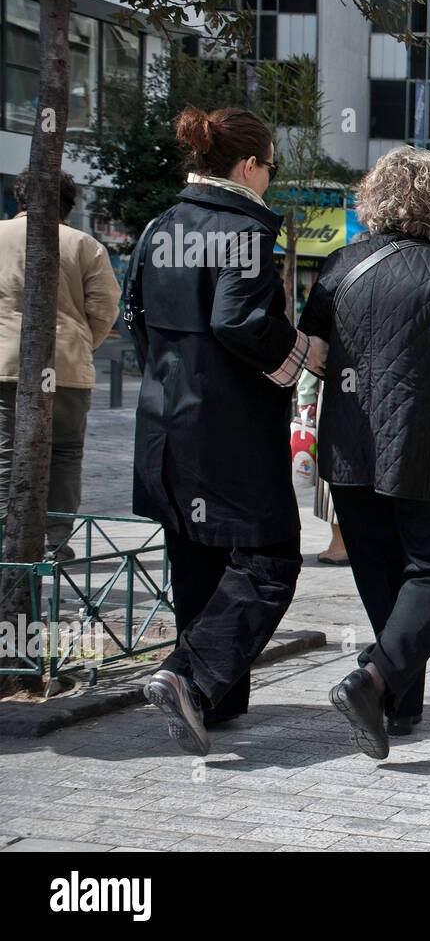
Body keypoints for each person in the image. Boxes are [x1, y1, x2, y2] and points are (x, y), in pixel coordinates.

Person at [125, 105, 327, 755]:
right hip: (228, 433)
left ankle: (212, 700)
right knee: (271, 562)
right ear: (247, 165)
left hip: (166, 424)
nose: (270, 177)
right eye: (270, 166)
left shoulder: (160, 226)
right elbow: (237, 320)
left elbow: (135, 316)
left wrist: (172, 376)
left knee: (199, 555)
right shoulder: (240, 229)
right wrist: (301, 352)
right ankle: (186, 677)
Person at [298, 146, 430, 757]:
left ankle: (395, 702)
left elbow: (315, 352)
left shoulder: (337, 268)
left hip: (351, 451)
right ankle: (373, 679)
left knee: (384, 576)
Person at [0, 169, 121, 558]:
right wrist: (81, 343)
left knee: (5, 452)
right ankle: (55, 540)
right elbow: (104, 309)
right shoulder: (85, 245)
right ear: (70, 204)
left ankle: (7, 539)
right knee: (65, 453)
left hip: (4, 364)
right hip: (66, 367)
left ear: (20, 198)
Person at [296, 371, 348, 565]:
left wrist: (306, 393)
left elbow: (317, 350)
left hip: (335, 387)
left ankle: (340, 543)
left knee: (335, 463)